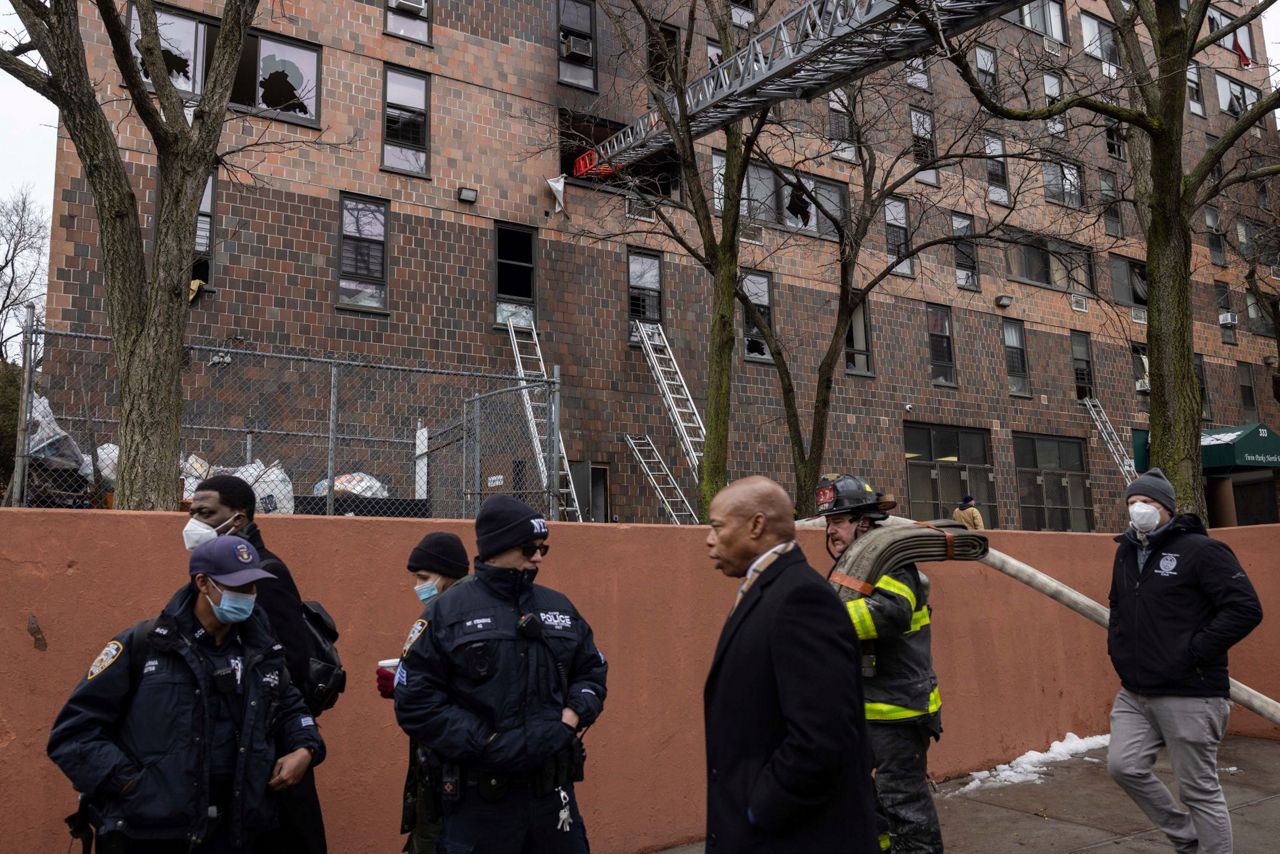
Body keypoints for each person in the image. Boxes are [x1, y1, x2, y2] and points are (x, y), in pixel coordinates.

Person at [48, 537, 324, 854]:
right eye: (238, 586)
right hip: (150, 835)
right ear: (203, 583)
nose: (248, 596)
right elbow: (74, 734)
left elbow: (293, 711)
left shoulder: (262, 651)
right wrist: (132, 785)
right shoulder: (144, 646)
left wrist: (305, 749)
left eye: (252, 587)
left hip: (236, 832)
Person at [395, 496, 607, 854]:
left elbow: (592, 671)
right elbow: (415, 700)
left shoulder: (559, 607)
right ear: (495, 549)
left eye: (543, 548)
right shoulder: (447, 613)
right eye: (528, 548)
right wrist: (486, 742)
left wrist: (571, 718)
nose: (537, 557)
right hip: (480, 803)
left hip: (552, 799)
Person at [703, 476, 877, 853]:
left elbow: (822, 737)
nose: (709, 538)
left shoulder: (800, 599)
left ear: (756, 525)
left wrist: (759, 808)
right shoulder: (770, 589)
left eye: (717, 526)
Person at [1107, 468, 1262, 854]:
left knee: (1198, 790)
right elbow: (1119, 607)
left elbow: (1245, 609)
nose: (1139, 509)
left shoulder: (1201, 550)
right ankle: (1188, 839)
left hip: (1191, 691)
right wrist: (1120, 651)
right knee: (1124, 767)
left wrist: (1191, 653)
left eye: (1148, 502)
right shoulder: (1126, 551)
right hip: (1136, 691)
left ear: (1168, 508)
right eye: (1132, 503)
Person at [186, 475, 327, 854]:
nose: (194, 522)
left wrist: (290, 742)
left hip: (269, 754)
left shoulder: (266, 574)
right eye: (192, 512)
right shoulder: (207, 578)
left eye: (206, 513)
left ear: (239, 519)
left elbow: (290, 667)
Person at [817, 473, 943, 854]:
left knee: (903, 804)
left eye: (838, 521)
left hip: (899, 712)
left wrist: (819, 621)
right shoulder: (850, 572)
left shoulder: (895, 566)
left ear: (865, 524)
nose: (831, 531)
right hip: (864, 710)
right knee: (854, 793)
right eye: (828, 522)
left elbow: (890, 615)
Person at [375, 531, 471, 853]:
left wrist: (405, 685)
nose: (418, 586)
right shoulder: (455, 609)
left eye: (424, 577)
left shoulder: (452, 614)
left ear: (446, 576)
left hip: (452, 768)